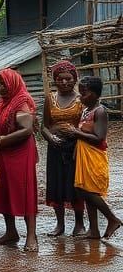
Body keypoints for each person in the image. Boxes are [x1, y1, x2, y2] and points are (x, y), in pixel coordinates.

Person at [0, 68, 39, 253]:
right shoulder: (4, 102)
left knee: (24, 190)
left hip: (20, 152)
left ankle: (31, 236)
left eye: (4, 83)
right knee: (4, 190)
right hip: (4, 151)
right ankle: (11, 232)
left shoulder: (21, 102)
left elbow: (27, 130)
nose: (1, 87)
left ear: (13, 84)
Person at [62, 75, 121, 240]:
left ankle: (112, 218)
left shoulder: (100, 111)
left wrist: (76, 132)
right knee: (86, 189)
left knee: (86, 190)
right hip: (82, 155)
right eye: (80, 93)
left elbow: (99, 137)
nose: (81, 97)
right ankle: (93, 230)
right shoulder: (85, 111)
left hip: (95, 156)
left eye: (84, 93)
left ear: (95, 94)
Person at [41, 59, 86, 237]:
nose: (65, 82)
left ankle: (79, 224)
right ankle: (59, 224)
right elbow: (44, 126)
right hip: (55, 148)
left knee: (76, 184)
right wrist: (51, 138)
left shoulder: (81, 99)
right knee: (56, 184)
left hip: (75, 147)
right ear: (55, 80)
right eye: (60, 79)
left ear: (75, 79)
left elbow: (87, 123)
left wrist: (76, 132)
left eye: (68, 79)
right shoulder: (50, 98)